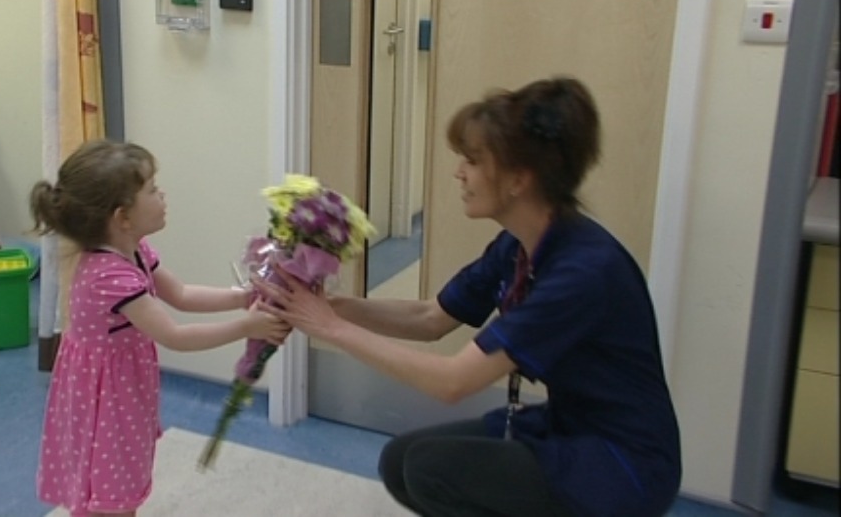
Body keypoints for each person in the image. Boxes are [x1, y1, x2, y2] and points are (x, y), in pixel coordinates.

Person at [253, 77, 682, 517]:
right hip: (566, 425)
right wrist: (329, 307)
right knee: (401, 461)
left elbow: (453, 382)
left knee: (429, 470)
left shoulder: (584, 271)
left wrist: (329, 327)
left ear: (519, 179)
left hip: (623, 461)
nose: (459, 172)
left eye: (473, 160)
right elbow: (429, 318)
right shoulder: (519, 245)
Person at [30, 139, 291, 517]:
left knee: (120, 482)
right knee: (110, 488)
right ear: (122, 216)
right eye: (152, 189)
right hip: (105, 395)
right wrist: (246, 325)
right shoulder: (109, 275)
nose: (163, 195)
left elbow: (182, 295)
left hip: (123, 384)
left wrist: (242, 297)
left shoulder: (135, 249)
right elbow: (174, 335)